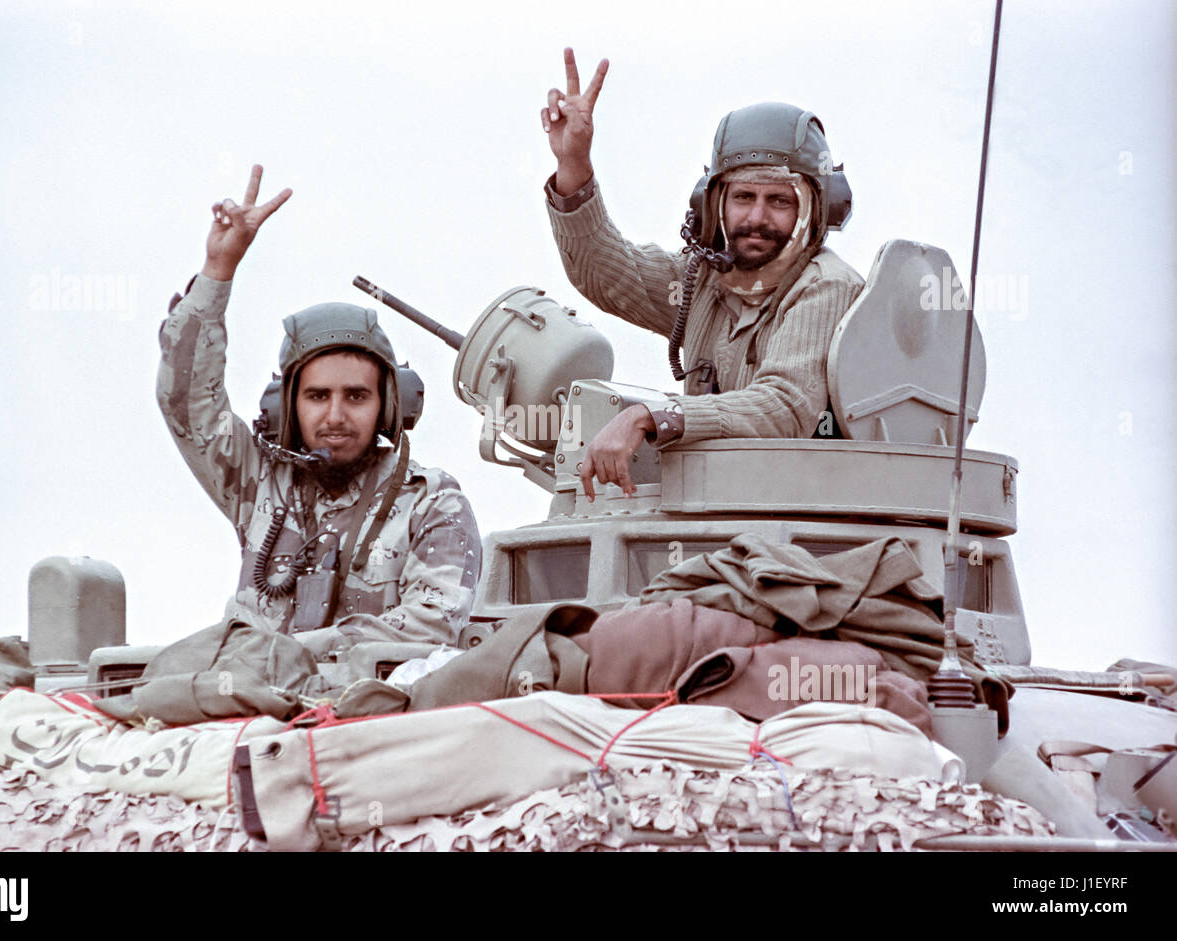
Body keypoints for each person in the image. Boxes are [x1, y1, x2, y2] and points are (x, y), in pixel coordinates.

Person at [157, 165, 481, 659]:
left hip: (367, 719)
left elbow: (431, 624)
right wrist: (218, 270)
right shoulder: (257, 483)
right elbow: (185, 401)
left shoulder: (432, 502)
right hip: (247, 710)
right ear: (287, 407)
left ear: (389, 406)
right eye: (316, 396)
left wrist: (292, 655)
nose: (335, 416)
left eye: (355, 396)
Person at [540, 49, 865, 499]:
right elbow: (607, 273)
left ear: (814, 209)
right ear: (714, 204)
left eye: (779, 201)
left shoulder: (826, 286)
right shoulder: (705, 279)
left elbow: (783, 406)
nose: (757, 217)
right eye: (743, 196)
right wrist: (573, 164)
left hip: (796, 515)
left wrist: (654, 417)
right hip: (713, 510)